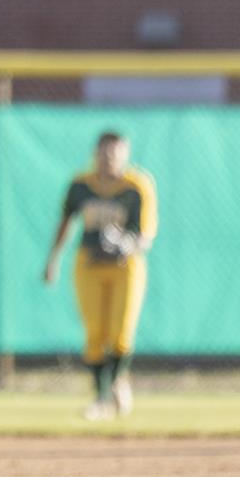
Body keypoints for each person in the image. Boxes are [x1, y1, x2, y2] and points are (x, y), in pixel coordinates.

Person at [43, 131, 159, 420]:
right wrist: (53, 260)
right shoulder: (81, 185)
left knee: (121, 333)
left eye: (116, 152)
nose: (110, 158)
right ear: (96, 153)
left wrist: (126, 243)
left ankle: (117, 381)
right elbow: (66, 222)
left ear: (126, 154)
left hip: (125, 266)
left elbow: (146, 235)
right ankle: (102, 398)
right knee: (95, 332)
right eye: (105, 152)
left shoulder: (137, 186)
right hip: (90, 264)